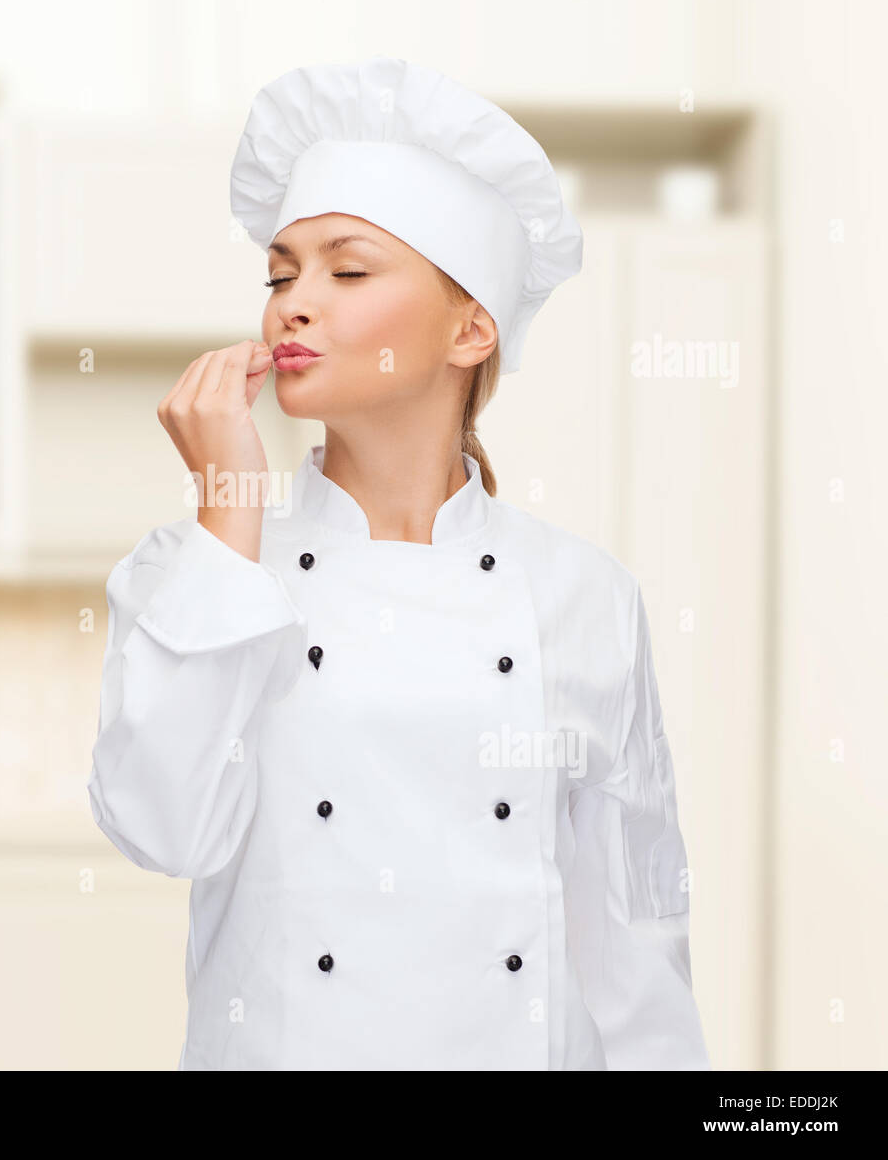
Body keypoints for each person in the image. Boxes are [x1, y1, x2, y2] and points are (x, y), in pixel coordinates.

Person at [87, 56, 710, 1071]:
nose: (292, 304)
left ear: (471, 329)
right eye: (280, 274)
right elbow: (164, 830)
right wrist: (227, 511)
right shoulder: (200, 565)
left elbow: (636, 949)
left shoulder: (584, 597)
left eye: (347, 268)